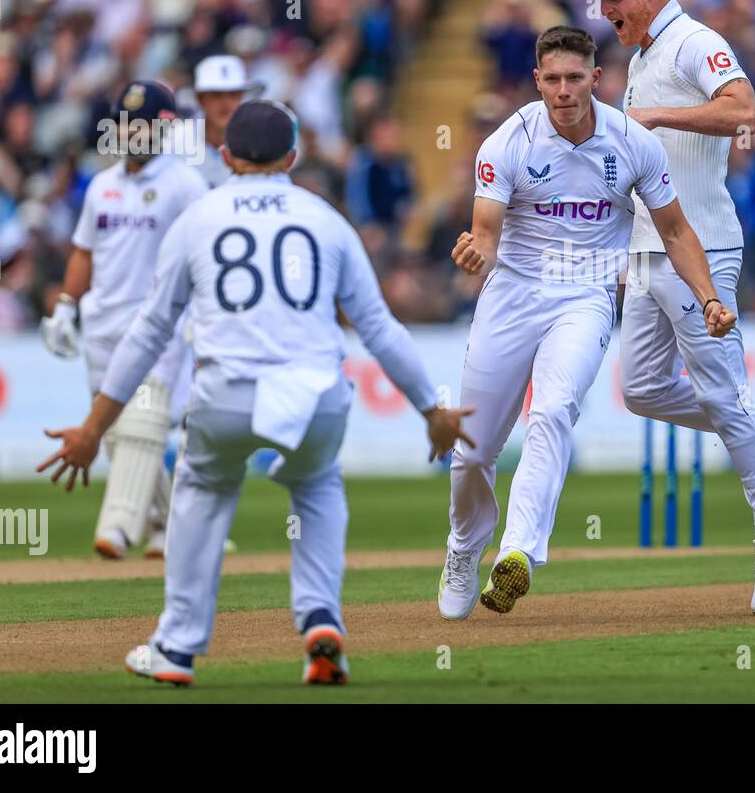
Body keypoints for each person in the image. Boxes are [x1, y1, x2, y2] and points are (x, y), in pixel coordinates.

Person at [39, 100, 472, 686]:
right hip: (316, 390)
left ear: (225, 156)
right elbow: (379, 328)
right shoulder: (326, 219)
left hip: (226, 393)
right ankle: (321, 622)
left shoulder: (197, 217)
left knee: (202, 489)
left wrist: (94, 428)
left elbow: (148, 333)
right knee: (317, 487)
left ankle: (177, 645)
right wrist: (431, 408)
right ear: (293, 156)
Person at [438, 25, 755, 621]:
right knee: (472, 453)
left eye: (574, 78)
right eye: (552, 79)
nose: (563, 91)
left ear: (596, 79)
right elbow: (485, 228)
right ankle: (462, 547)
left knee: (553, 409)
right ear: (537, 81)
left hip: (584, 297)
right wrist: (477, 250)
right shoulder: (508, 141)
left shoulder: (633, 141)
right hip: (512, 293)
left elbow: (678, 231)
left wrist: (708, 297)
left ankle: (518, 554)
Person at [581, 0, 755, 611]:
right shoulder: (638, 59)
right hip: (645, 253)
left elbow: (743, 113)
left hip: (704, 250)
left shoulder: (694, 41)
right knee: (640, 389)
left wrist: (659, 116)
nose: (606, 9)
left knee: (724, 397)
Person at [41, 80, 208, 559]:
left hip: (159, 324)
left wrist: (201, 313)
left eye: (142, 125)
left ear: (166, 128)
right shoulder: (102, 186)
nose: (131, 133)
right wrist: (67, 306)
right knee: (116, 430)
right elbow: (83, 252)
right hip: (102, 326)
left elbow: (204, 254)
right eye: (124, 124)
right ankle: (167, 525)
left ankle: (117, 526)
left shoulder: (185, 184)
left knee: (144, 414)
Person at [190, 54, 263, 188]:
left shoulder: (261, 142)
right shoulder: (174, 142)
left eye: (233, 94)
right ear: (200, 99)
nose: (226, 103)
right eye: (216, 95)